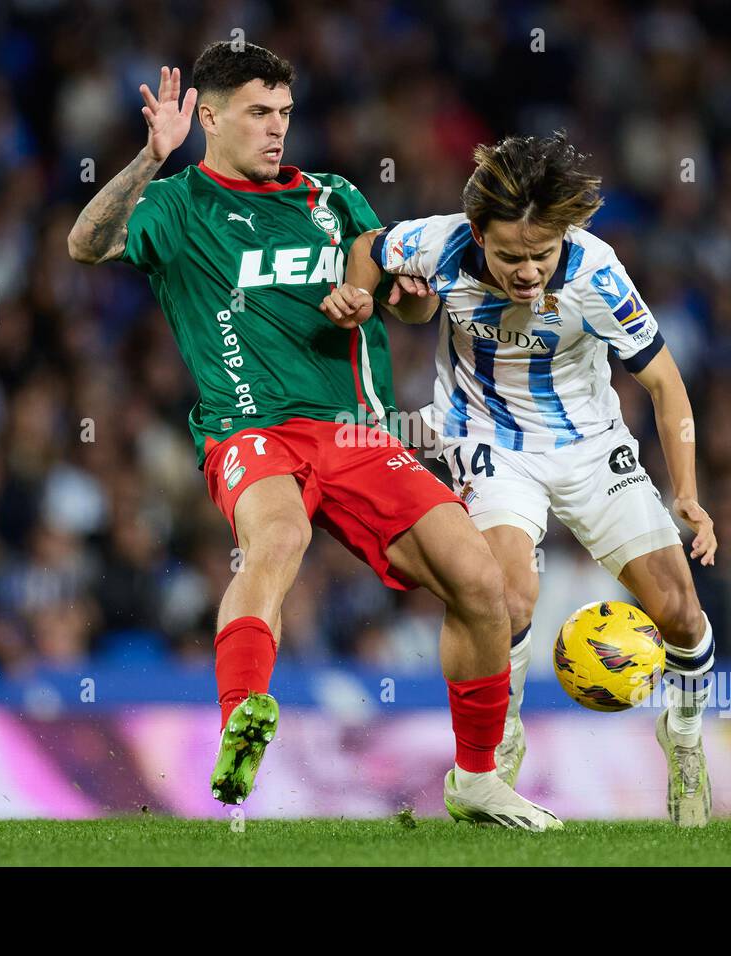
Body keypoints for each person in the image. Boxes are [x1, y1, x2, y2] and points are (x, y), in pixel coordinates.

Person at [68, 42, 561, 831]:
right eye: (259, 114)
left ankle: (476, 779)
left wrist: (390, 299)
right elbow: (86, 244)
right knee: (277, 537)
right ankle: (243, 716)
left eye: (285, 114)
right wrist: (148, 159)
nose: (276, 130)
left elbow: (413, 308)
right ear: (211, 117)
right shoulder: (177, 204)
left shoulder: (335, 198)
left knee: (482, 583)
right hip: (249, 428)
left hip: (356, 431)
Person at [322, 132, 718, 827]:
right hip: (488, 442)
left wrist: (685, 492)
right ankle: (496, 745)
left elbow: (665, 382)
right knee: (505, 596)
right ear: (479, 233)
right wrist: (363, 294)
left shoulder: (597, 272)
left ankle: (683, 741)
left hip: (592, 446)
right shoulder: (439, 243)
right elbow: (371, 246)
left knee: (680, 613)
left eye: (541, 254)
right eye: (510, 256)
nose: (529, 271)